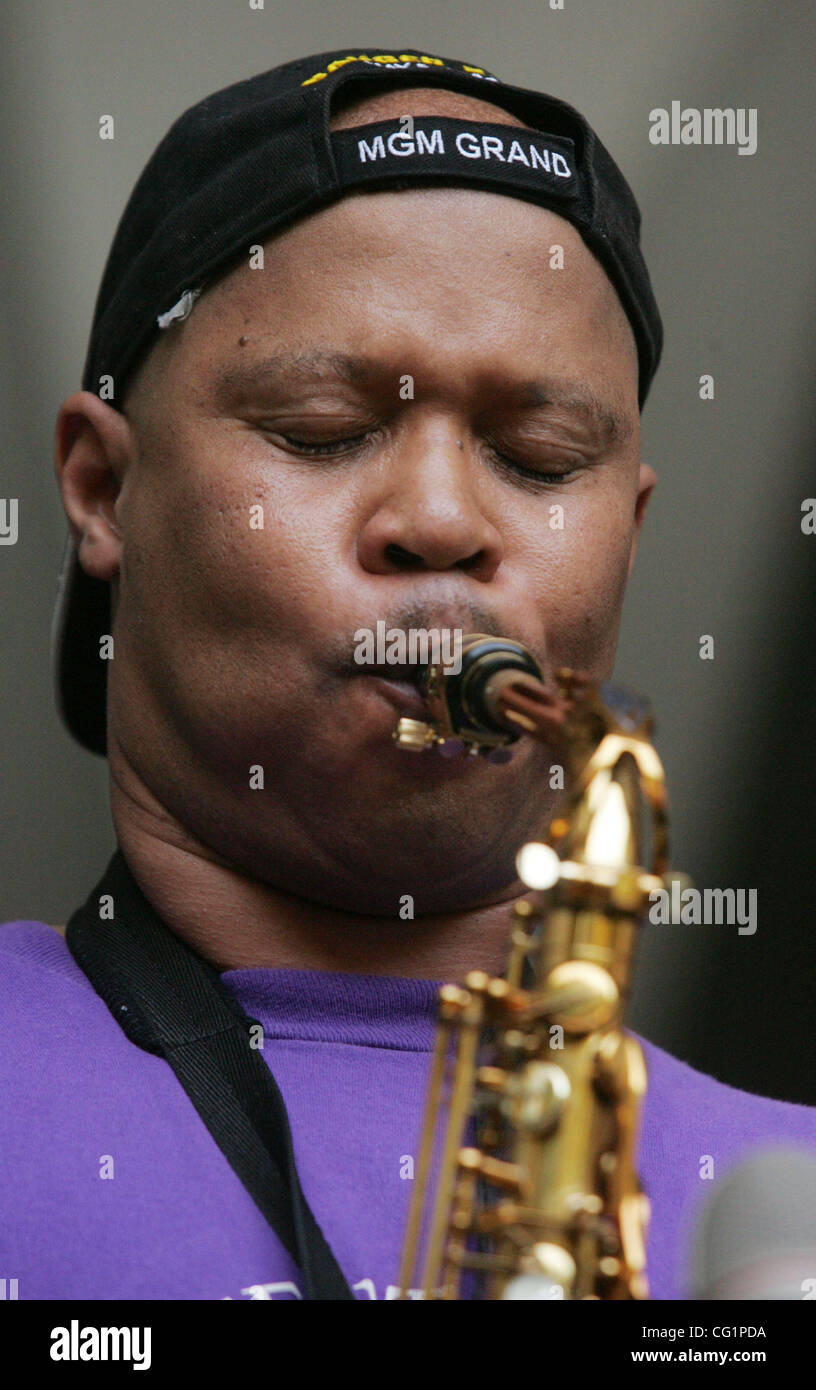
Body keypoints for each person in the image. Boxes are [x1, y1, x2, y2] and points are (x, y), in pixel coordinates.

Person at [2, 45, 814, 1302]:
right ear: (104, 490)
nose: (441, 521)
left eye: (541, 460)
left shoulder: (787, 1205)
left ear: (630, 537)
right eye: (323, 431)